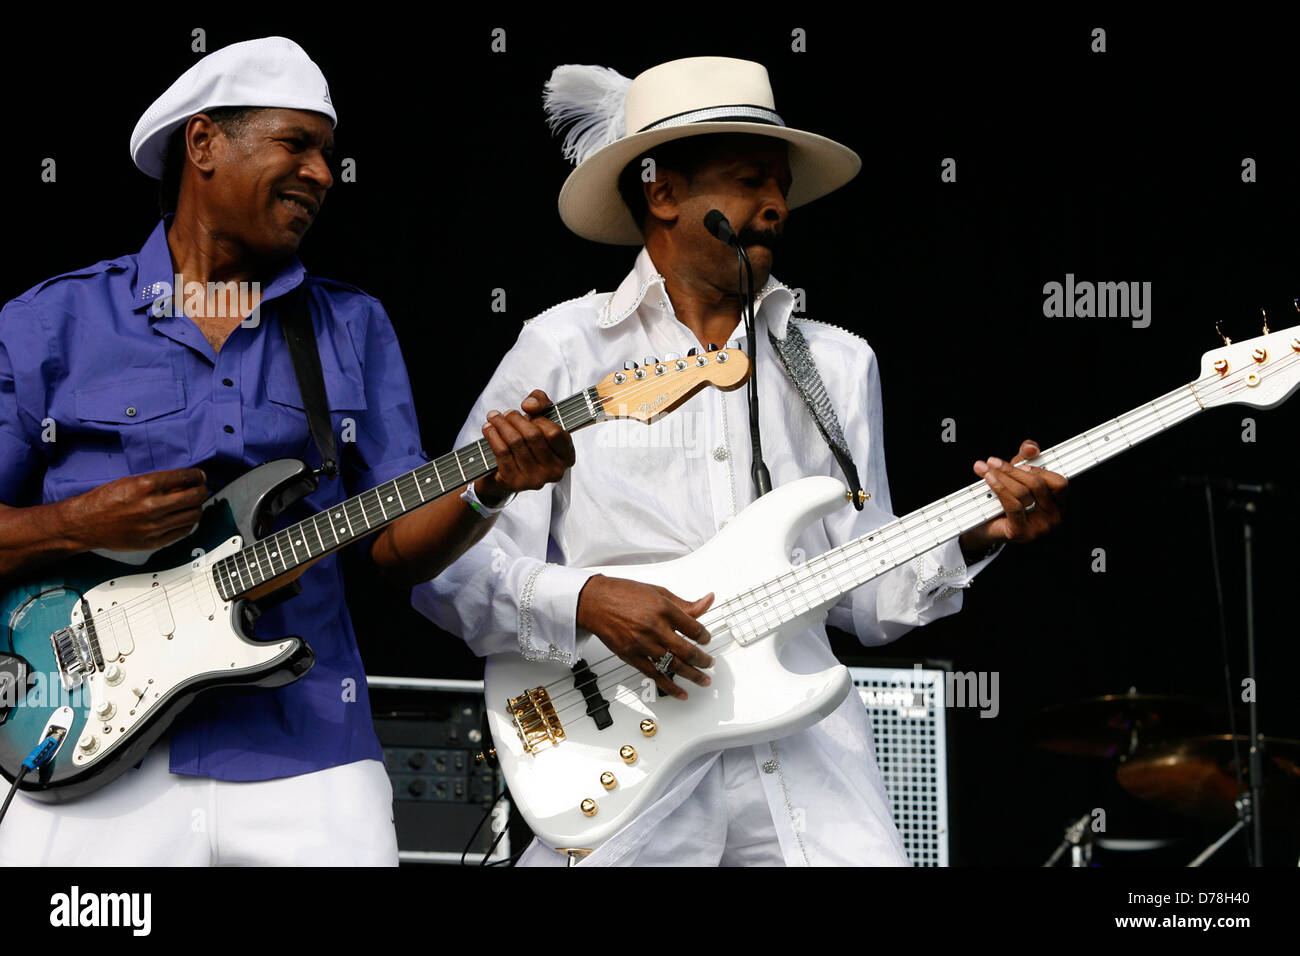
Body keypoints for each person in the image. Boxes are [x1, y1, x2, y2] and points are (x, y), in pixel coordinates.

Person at [414, 55, 1067, 866]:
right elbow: (449, 569)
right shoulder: (561, 347)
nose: (777, 208)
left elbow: (867, 594)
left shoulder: (838, 363)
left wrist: (979, 531)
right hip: (621, 749)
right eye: (752, 180)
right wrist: (587, 598)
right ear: (662, 193)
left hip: (807, 757)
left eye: (784, 187)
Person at [0, 36, 574, 865]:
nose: (321, 173)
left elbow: (395, 549)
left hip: (305, 748)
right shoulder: (53, 322)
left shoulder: (352, 326)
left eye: (329, 155)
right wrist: (76, 524)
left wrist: (490, 487)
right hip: (81, 749)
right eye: (295, 144)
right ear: (203, 145)